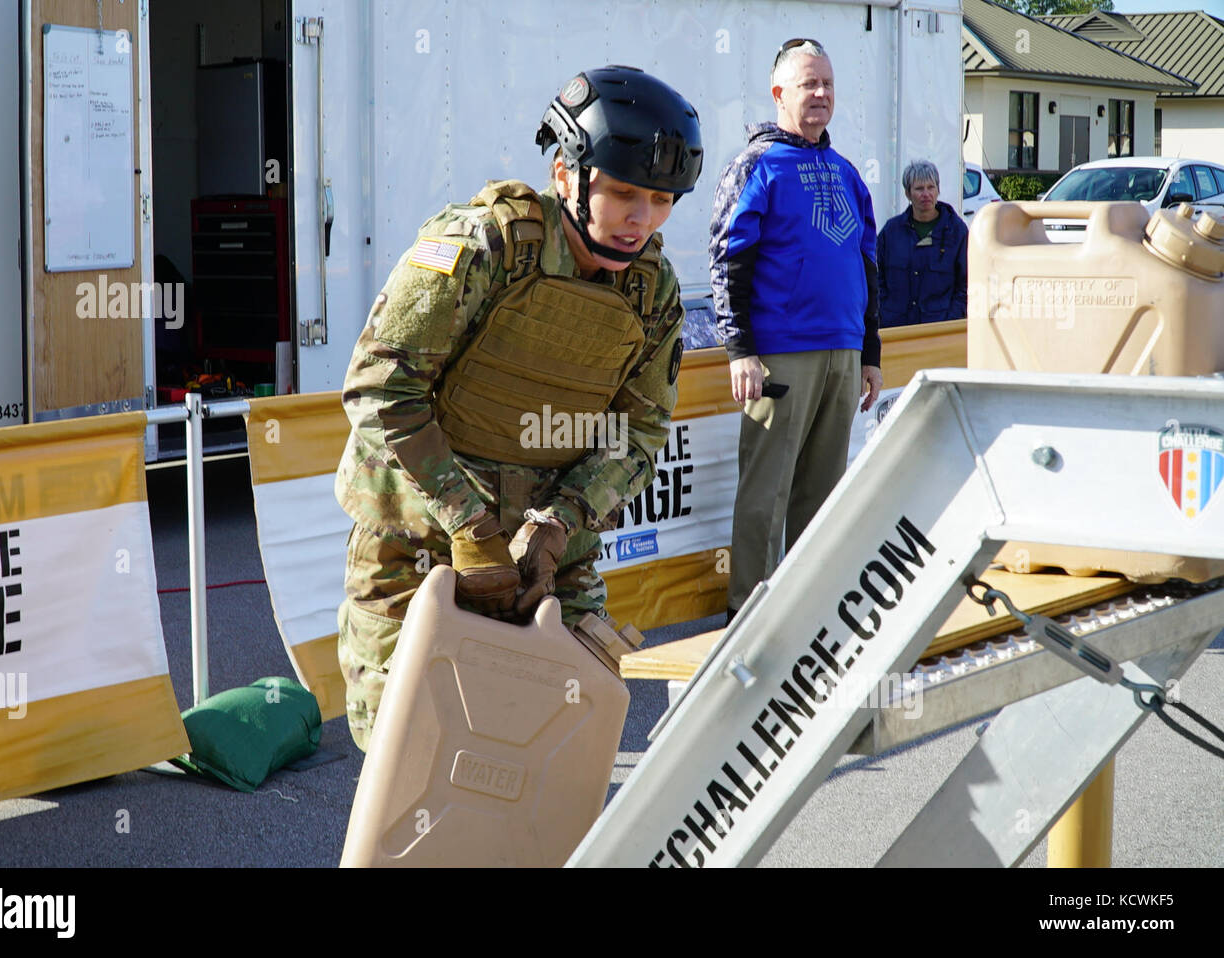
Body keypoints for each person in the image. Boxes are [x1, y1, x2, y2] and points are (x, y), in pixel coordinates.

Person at [333, 66, 703, 750]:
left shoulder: (652, 291)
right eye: (624, 193)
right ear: (567, 175)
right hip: (420, 554)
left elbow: (640, 428)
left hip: (548, 567)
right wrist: (468, 527)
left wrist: (561, 523)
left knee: (556, 760)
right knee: (413, 766)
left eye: (660, 200)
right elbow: (382, 388)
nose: (641, 220)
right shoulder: (486, 247)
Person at [709, 39, 882, 621]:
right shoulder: (755, 165)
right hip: (780, 357)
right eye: (809, 84)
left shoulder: (846, 171)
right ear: (779, 93)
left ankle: (808, 614)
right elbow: (727, 258)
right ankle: (751, 617)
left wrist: (870, 352)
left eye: (828, 84)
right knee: (766, 494)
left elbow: (867, 265)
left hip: (842, 351)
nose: (821, 94)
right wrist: (740, 350)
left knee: (824, 495)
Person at [877, 159, 968, 328]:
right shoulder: (891, 232)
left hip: (939, 333)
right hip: (896, 330)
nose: (926, 194)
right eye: (919, 188)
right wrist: (884, 311)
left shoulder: (957, 232)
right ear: (908, 193)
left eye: (931, 187)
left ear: (938, 190)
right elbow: (876, 277)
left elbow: (966, 284)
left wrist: (951, 319)